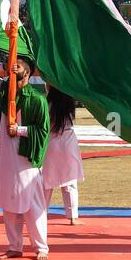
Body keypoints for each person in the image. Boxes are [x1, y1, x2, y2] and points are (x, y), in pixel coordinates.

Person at [0, 57, 51, 259]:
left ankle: (41, 247)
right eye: (12, 63)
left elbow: (43, 131)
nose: (14, 66)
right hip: (5, 156)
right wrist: (3, 66)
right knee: (9, 203)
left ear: (27, 72)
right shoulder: (4, 91)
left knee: (33, 204)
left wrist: (20, 130)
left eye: (18, 65)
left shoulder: (37, 99)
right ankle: (14, 246)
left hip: (26, 158)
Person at [42, 85, 84, 225]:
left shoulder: (47, 104)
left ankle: (40, 214)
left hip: (52, 142)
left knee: (46, 181)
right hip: (68, 142)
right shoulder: (69, 103)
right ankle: (72, 217)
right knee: (70, 181)